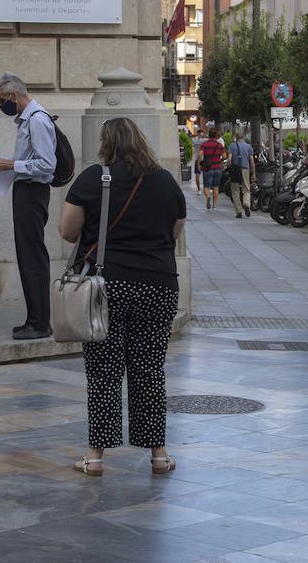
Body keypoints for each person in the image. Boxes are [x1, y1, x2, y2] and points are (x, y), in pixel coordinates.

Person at [58, 118, 186, 477]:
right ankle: (159, 455)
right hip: (158, 285)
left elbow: (68, 232)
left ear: (105, 143)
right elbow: (175, 231)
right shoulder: (165, 181)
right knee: (149, 370)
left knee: (103, 372)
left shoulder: (92, 179)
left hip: (105, 286)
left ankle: (95, 457)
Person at [0, 73, 58, 340]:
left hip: (33, 191)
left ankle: (40, 323)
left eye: (3, 100)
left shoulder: (37, 119)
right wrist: (8, 162)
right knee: (27, 256)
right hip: (26, 190)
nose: (2, 105)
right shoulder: (28, 119)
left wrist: (12, 165)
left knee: (33, 257)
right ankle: (34, 318)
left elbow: (46, 164)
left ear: (14, 95)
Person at [227, 133, 255, 219]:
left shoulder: (232, 146)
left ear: (236, 137)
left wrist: (229, 168)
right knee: (246, 189)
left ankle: (239, 211)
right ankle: (246, 203)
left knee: (235, 190)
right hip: (245, 169)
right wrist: (253, 173)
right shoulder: (248, 147)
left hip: (235, 170)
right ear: (244, 138)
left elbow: (229, 159)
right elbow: (252, 161)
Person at [198, 126, 226, 210]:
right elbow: (224, 156)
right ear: (216, 135)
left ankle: (207, 198)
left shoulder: (204, 144)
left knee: (206, 186)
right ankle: (214, 205)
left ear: (209, 135)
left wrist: (199, 163)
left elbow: (200, 154)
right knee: (215, 187)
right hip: (218, 167)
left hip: (208, 167)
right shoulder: (220, 145)